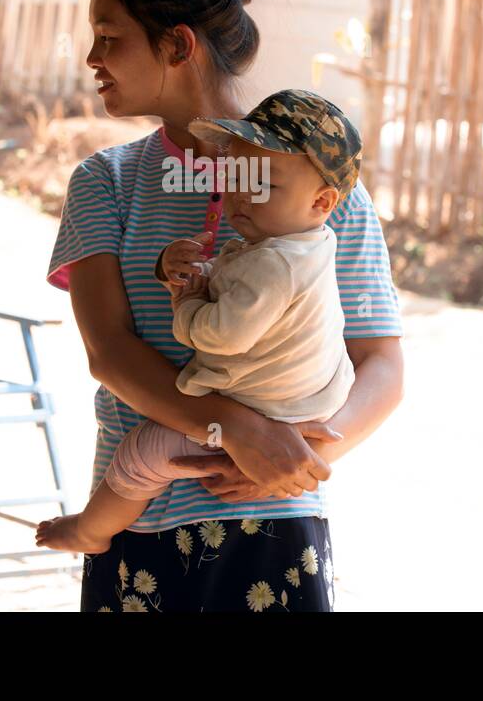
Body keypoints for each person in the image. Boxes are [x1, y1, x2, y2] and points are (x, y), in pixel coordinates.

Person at [43, 0, 405, 612]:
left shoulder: (325, 193)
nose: (91, 57)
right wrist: (230, 426)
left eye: (109, 36)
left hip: (277, 523)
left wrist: (300, 452)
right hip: (139, 524)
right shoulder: (106, 184)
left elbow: (381, 364)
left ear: (177, 45)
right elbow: (111, 353)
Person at [37, 90, 360, 555]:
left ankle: (92, 529)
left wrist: (183, 299)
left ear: (322, 201)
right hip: (301, 420)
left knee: (143, 455)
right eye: (236, 176)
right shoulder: (305, 244)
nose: (241, 194)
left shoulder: (274, 264)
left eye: (263, 184)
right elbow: (245, 292)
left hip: (265, 420)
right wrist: (184, 270)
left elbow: (219, 333)